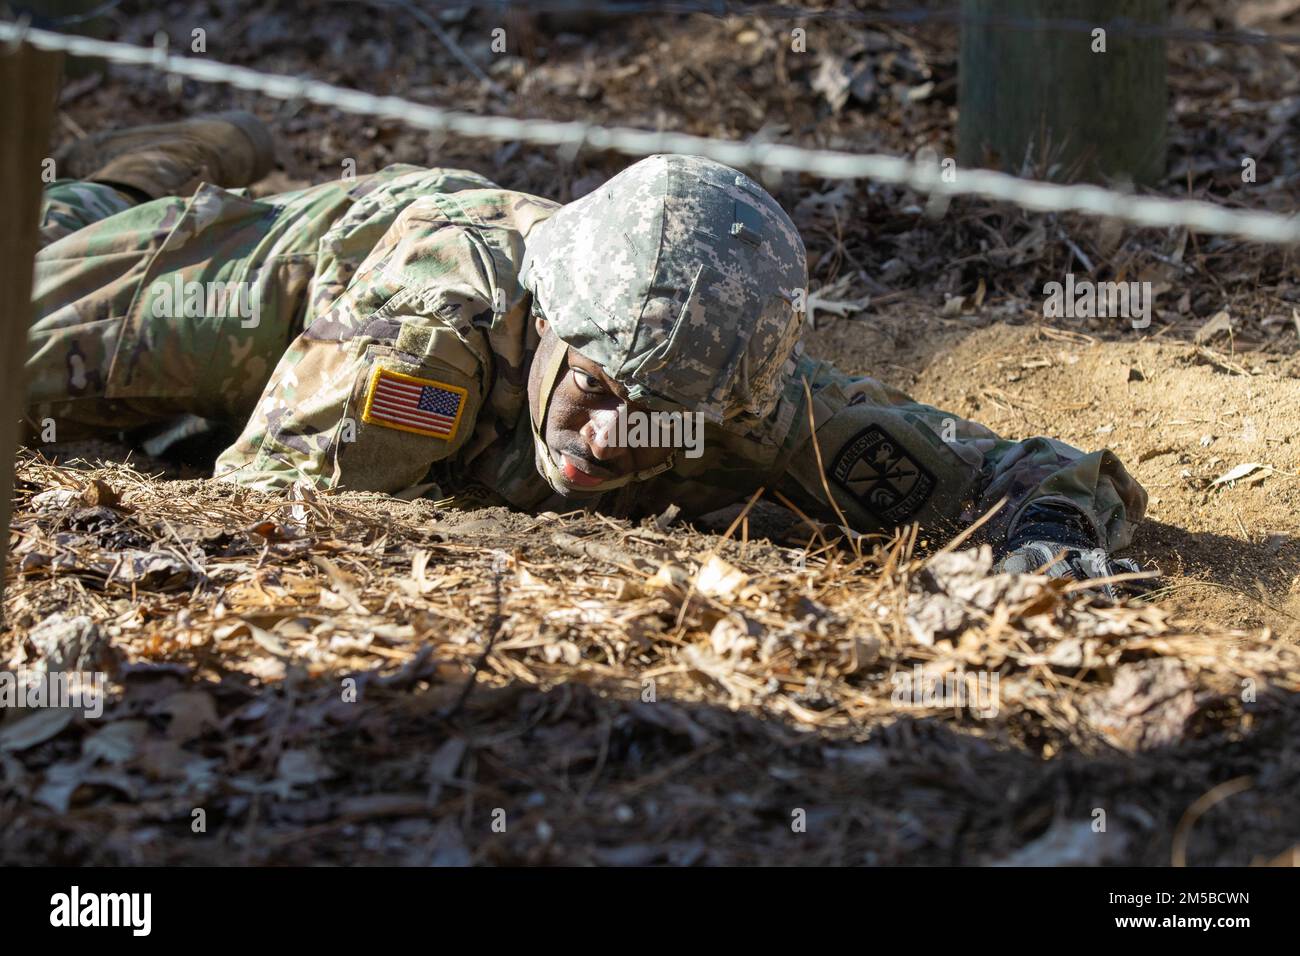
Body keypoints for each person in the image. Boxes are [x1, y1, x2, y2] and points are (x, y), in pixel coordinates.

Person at [24, 113, 1150, 592]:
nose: (618, 438)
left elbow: (1033, 472)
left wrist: (1051, 544)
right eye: (602, 389)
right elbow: (264, 529)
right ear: (548, 320)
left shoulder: (723, 390)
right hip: (266, 283)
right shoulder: (428, 338)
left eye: (665, 415)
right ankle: (131, 177)